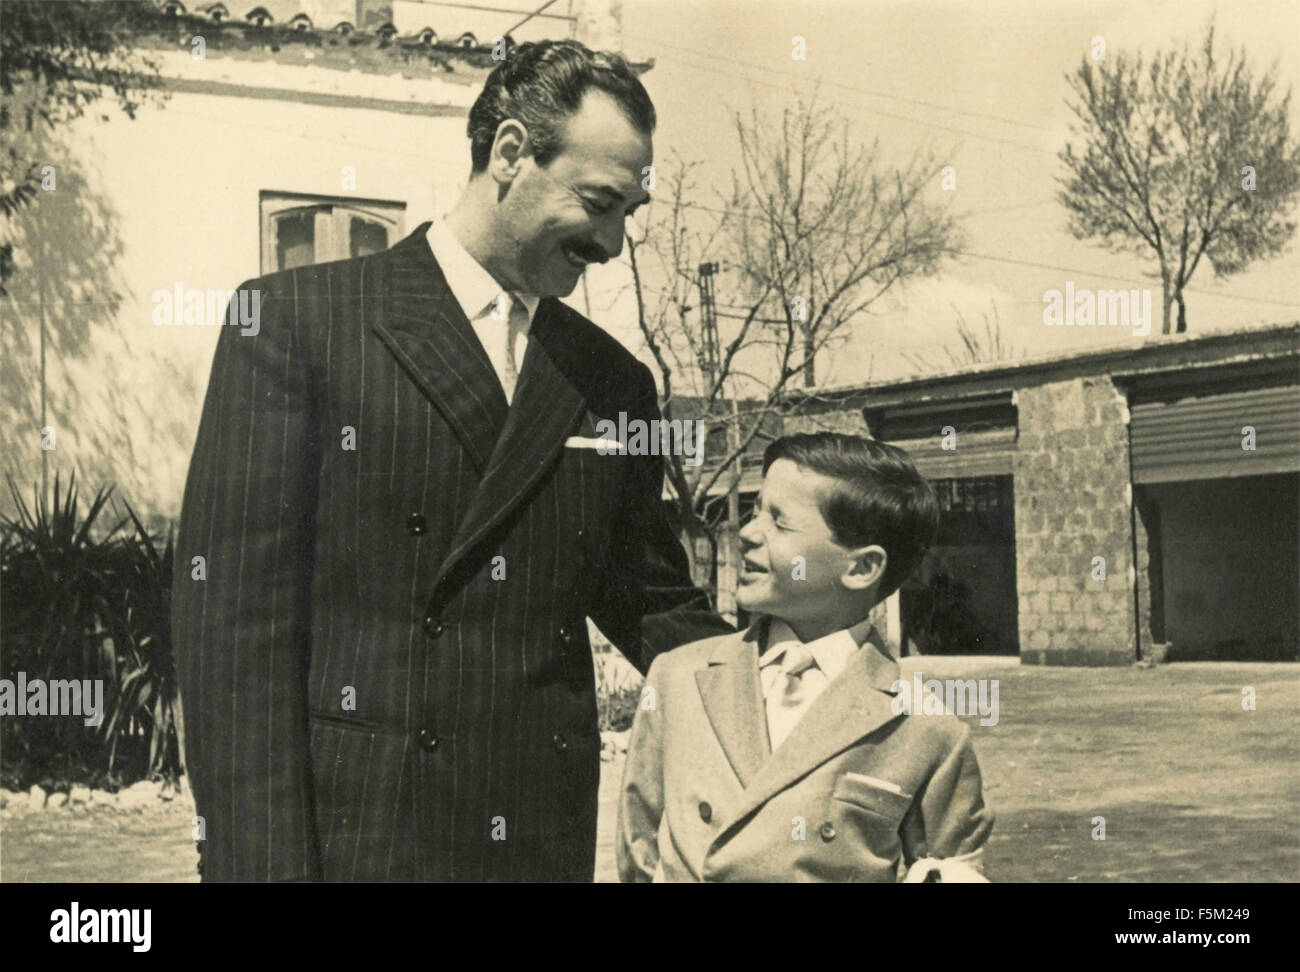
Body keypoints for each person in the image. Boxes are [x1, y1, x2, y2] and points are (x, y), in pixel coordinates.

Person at [172, 40, 731, 883]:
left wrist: (801, 676)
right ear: (510, 153)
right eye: (599, 203)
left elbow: (650, 600)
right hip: (359, 837)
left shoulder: (612, 381)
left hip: (534, 841)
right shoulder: (298, 324)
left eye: (629, 214)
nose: (614, 243)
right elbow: (233, 641)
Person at [617, 432, 993, 882]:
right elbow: (638, 851)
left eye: (780, 521)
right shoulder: (677, 677)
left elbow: (953, 868)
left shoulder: (924, 726)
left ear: (860, 568)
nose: (747, 533)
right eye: (756, 510)